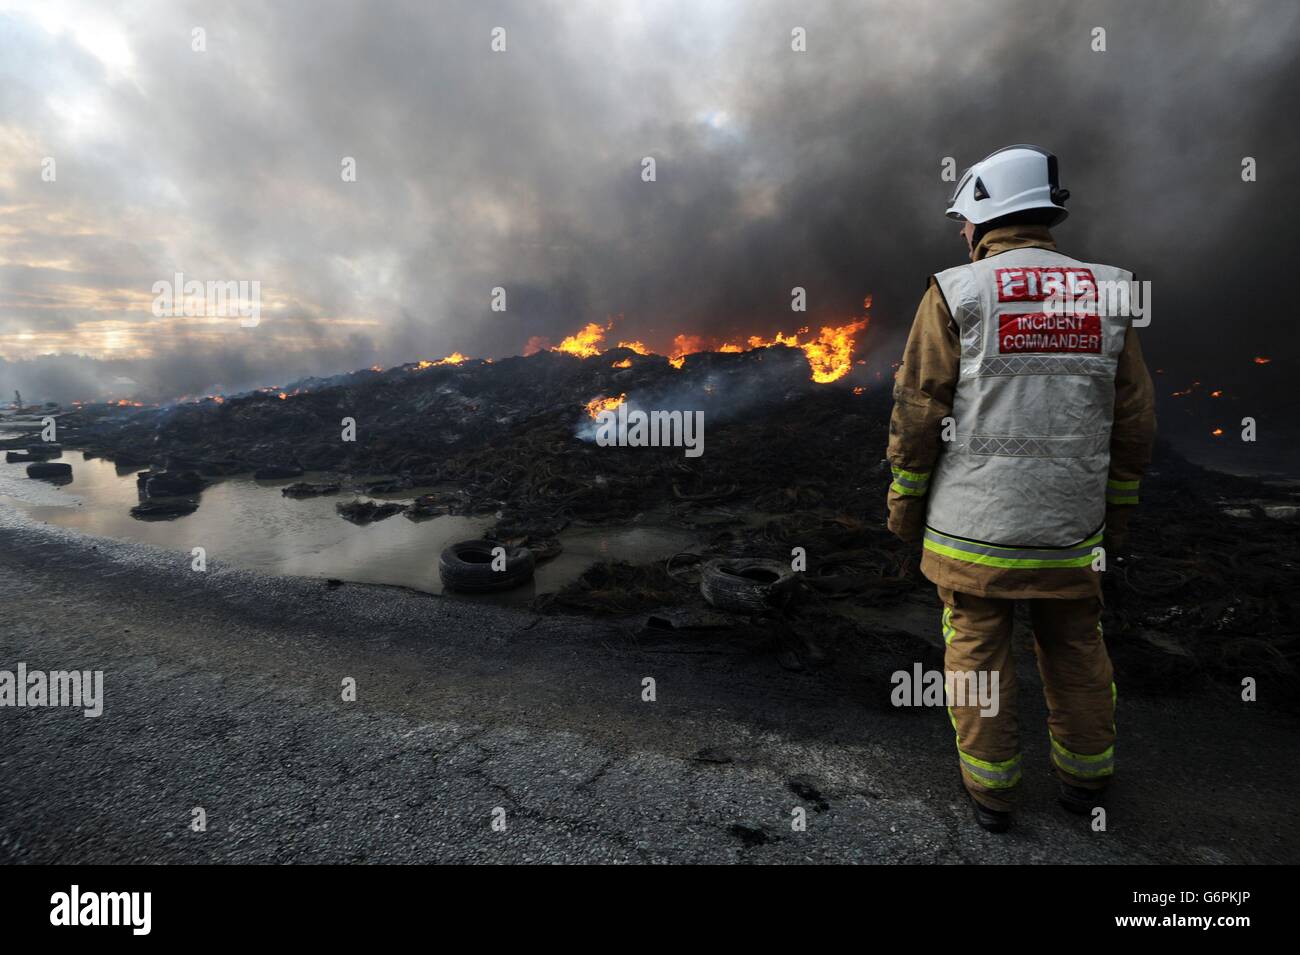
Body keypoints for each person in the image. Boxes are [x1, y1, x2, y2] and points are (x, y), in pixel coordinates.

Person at [886, 145, 1156, 832]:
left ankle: (994, 795)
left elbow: (920, 409)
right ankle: (1085, 782)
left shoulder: (956, 290)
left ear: (982, 217)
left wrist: (903, 505)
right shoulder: (1109, 290)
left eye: (963, 222)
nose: (960, 236)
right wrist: (1117, 514)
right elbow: (1134, 416)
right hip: (1071, 531)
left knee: (975, 643)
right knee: (1075, 642)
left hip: (973, 534)